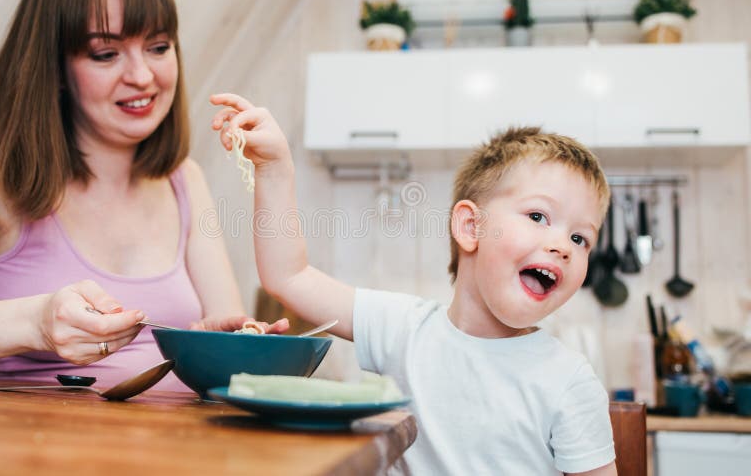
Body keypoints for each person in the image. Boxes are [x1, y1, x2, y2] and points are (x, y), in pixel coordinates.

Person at [210, 93, 617, 475]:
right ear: (471, 226)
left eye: (580, 238)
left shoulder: (571, 381)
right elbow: (289, 277)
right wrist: (275, 168)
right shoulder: (404, 328)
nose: (563, 246)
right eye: (539, 217)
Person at [0, 0, 286, 390]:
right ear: (54, 69)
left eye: (158, 47)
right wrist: (33, 322)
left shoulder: (184, 179)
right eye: (106, 54)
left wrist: (221, 345)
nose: (143, 77)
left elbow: (224, 331)